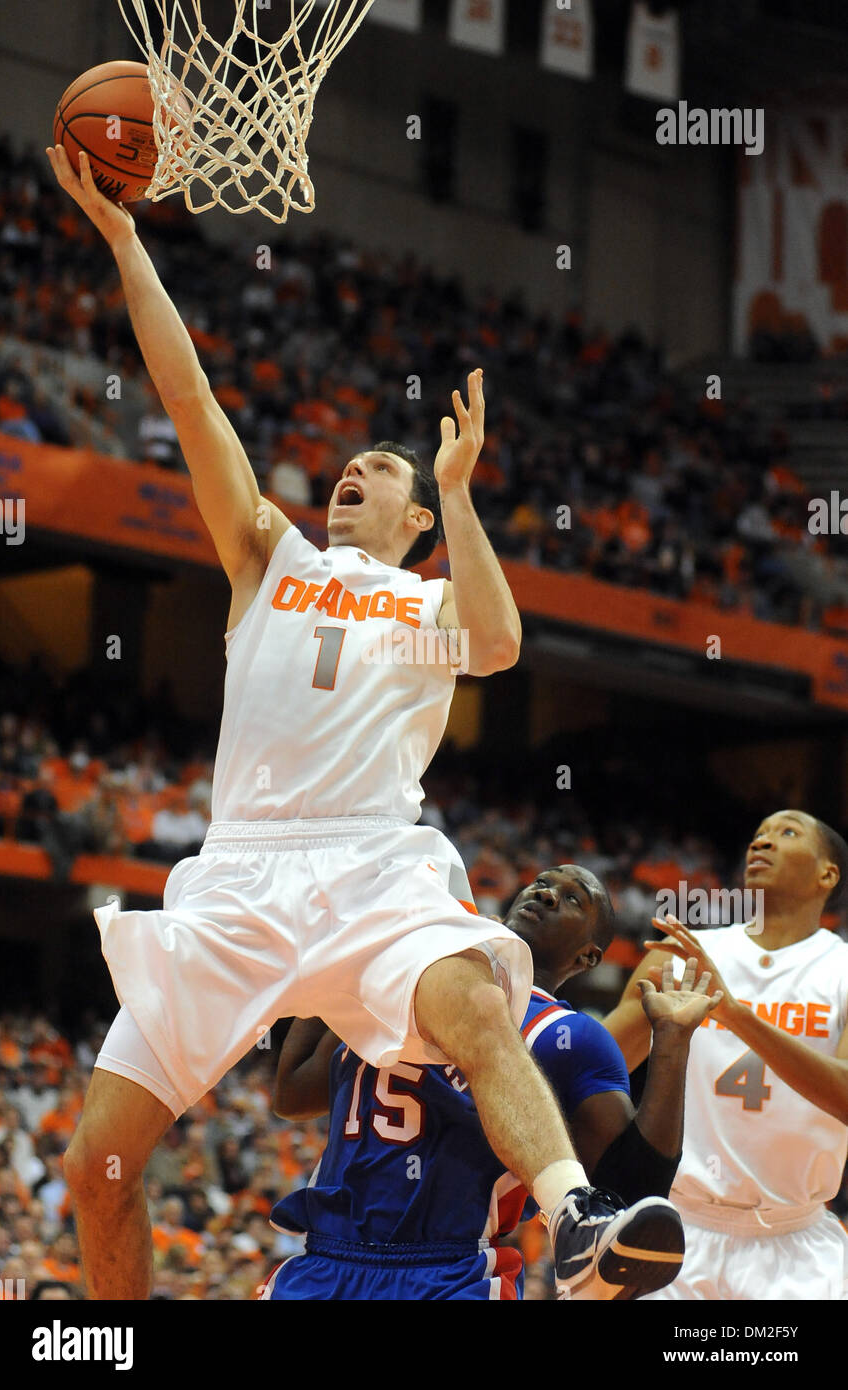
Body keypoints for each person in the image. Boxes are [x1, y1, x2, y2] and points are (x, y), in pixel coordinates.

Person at [47, 144, 683, 1302]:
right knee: (98, 1166)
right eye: (348, 463)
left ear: (413, 514)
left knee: (474, 1009)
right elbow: (188, 395)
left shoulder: (428, 602)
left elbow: (495, 644)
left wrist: (457, 486)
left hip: (371, 863)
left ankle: (574, 1222)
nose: (353, 471)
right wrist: (130, 245)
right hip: (239, 873)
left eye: (378, 468)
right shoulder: (265, 557)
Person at [263, 866, 720, 1300]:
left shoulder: (570, 1037)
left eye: (572, 899)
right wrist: (339, 962)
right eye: (542, 882)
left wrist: (672, 1045)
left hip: (451, 1273)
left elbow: (631, 1193)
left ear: (589, 956)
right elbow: (294, 1091)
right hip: (322, 1261)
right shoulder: (398, 984)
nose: (545, 893)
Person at [605, 808, 848, 1300]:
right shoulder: (682, 954)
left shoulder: (841, 969)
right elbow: (594, 1070)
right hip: (674, 1227)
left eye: (786, 832)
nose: (761, 843)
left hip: (794, 1243)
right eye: (757, 836)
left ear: (828, 873)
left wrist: (735, 1014)